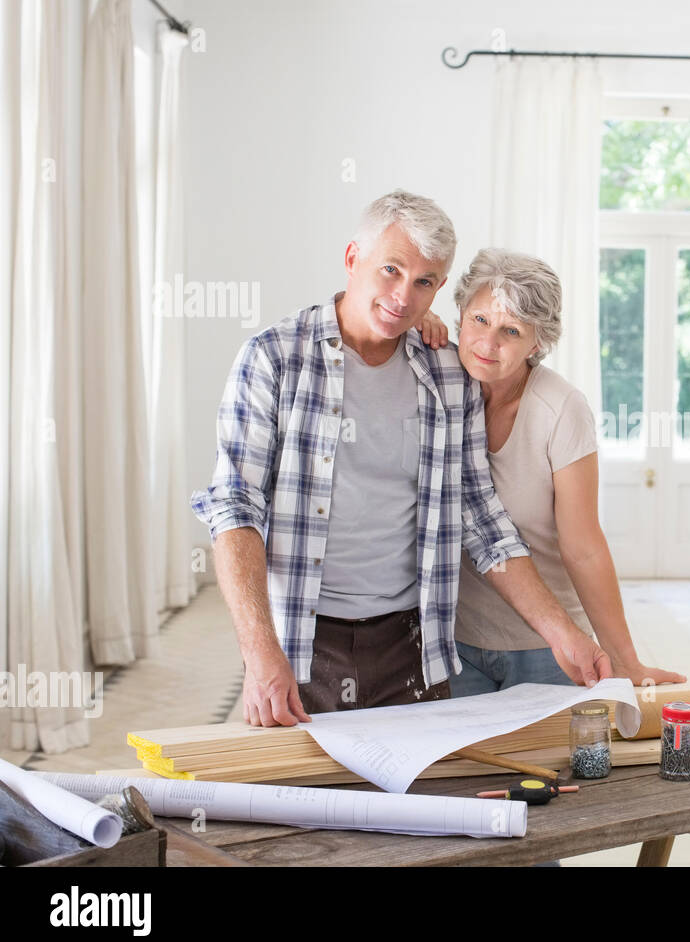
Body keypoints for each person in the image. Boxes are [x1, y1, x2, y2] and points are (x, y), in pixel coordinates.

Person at [191, 192, 612, 727]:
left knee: (414, 803)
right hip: (302, 637)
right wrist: (259, 651)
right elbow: (234, 510)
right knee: (307, 806)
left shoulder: (446, 373)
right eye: (391, 270)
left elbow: (482, 521)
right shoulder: (273, 358)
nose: (401, 296)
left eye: (424, 282)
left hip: (413, 643)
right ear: (352, 258)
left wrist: (564, 634)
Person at [416, 248, 684, 695]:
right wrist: (417, 321)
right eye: (479, 320)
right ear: (460, 313)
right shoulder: (434, 380)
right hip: (453, 642)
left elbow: (584, 548)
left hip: (547, 646)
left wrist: (624, 660)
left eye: (511, 331)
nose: (487, 343)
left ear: (537, 343)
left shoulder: (560, 409)